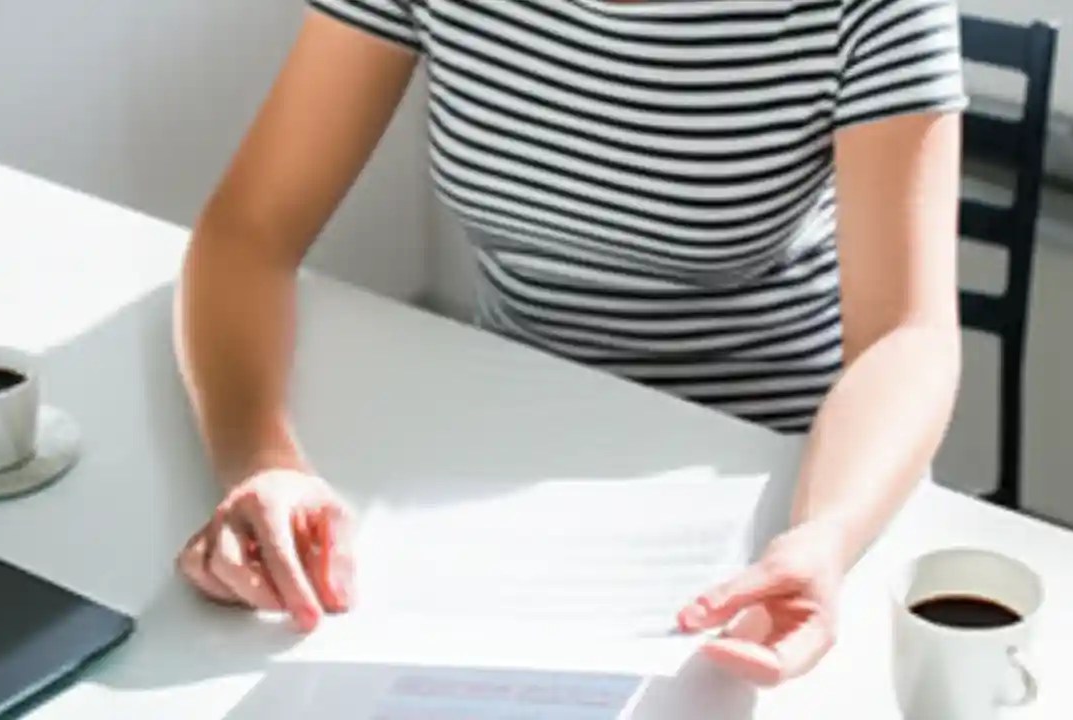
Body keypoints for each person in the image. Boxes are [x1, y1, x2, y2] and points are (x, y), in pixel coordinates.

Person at [174, 0, 966, 686]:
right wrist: (262, 462)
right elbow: (250, 231)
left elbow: (906, 334)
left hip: (784, 494)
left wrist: (824, 532)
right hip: (502, 483)